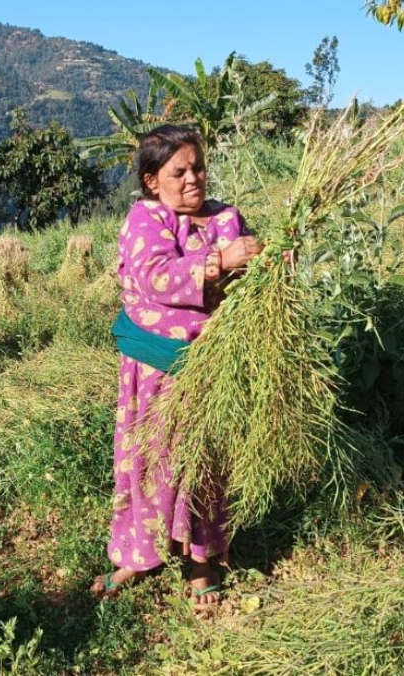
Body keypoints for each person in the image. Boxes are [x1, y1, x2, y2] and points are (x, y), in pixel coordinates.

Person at [91, 125, 263, 607]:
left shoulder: (228, 218)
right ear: (152, 180)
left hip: (211, 369)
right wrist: (217, 263)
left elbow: (253, 278)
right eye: (178, 172)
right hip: (157, 369)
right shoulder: (145, 219)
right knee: (148, 460)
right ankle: (137, 554)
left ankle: (202, 561)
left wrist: (269, 259)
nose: (193, 180)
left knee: (206, 460)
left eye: (198, 168)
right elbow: (156, 278)